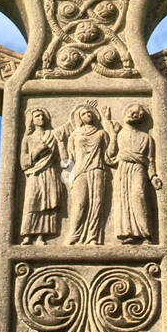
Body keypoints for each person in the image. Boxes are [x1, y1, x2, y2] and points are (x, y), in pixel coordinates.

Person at [105, 104, 161, 243]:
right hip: (123, 168)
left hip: (138, 168)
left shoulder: (146, 138)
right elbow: (110, 154)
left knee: (138, 196)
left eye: (137, 114)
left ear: (141, 119)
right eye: (131, 111)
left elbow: (150, 160)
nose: (133, 114)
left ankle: (146, 234)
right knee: (123, 199)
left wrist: (153, 176)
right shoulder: (120, 134)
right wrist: (111, 131)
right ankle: (128, 233)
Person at [62, 103, 113, 245]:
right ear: (79, 118)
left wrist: (111, 129)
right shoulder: (74, 135)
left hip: (98, 169)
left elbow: (110, 153)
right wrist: (65, 178)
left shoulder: (102, 133)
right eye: (83, 113)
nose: (87, 115)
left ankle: (93, 237)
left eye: (89, 113)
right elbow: (68, 159)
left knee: (97, 203)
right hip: (80, 171)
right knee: (79, 204)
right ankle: (74, 235)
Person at [19, 109, 66, 244]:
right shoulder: (28, 138)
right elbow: (24, 163)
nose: (41, 118)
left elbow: (63, 158)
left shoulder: (52, 135)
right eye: (37, 116)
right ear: (32, 121)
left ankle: (41, 236)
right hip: (35, 174)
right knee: (32, 201)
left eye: (42, 116)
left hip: (50, 173)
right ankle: (27, 235)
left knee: (47, 204)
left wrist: (61, 142)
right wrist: (37, 151)